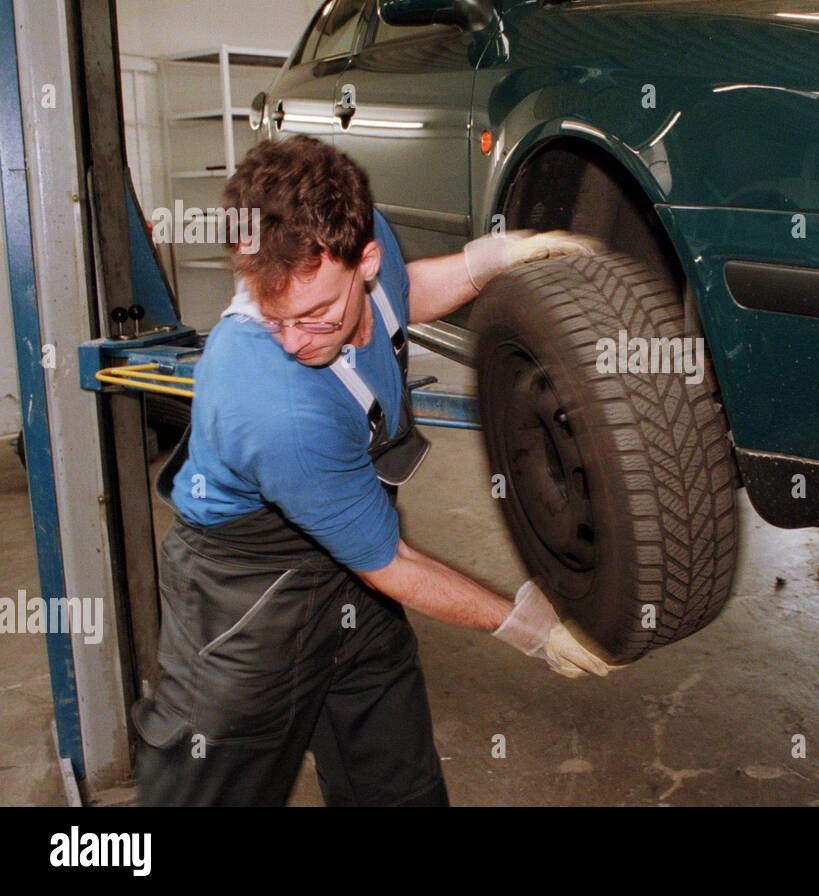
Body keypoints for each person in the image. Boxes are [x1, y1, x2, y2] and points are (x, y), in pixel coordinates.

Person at [132, 134, 610, 806]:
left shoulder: (361, 240)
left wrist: (492, 260)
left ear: (364, 255)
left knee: (395, 786)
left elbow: (394, 294)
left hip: (353, 580)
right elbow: (391, 564)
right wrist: (529, 627)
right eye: (277, 320)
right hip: (248, 602)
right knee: (204, 793)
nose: (297, 341)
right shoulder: (275, 403)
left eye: (317, 314)